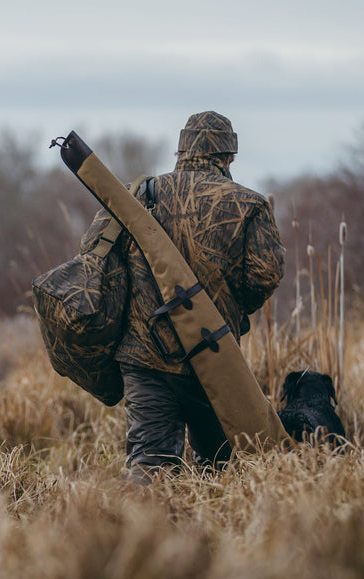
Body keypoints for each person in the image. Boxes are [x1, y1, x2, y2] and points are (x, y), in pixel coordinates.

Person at [115, 111, 285, 482]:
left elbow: (100, 260)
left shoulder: (137, 196)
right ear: (228, 158)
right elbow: (265, 274)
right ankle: (211, 534)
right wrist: (230, 310)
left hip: (145, 355)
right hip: (212, 352)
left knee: (149, 460)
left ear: (181, 152)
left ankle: (140, 536)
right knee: (219, 464)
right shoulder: (249, 204)